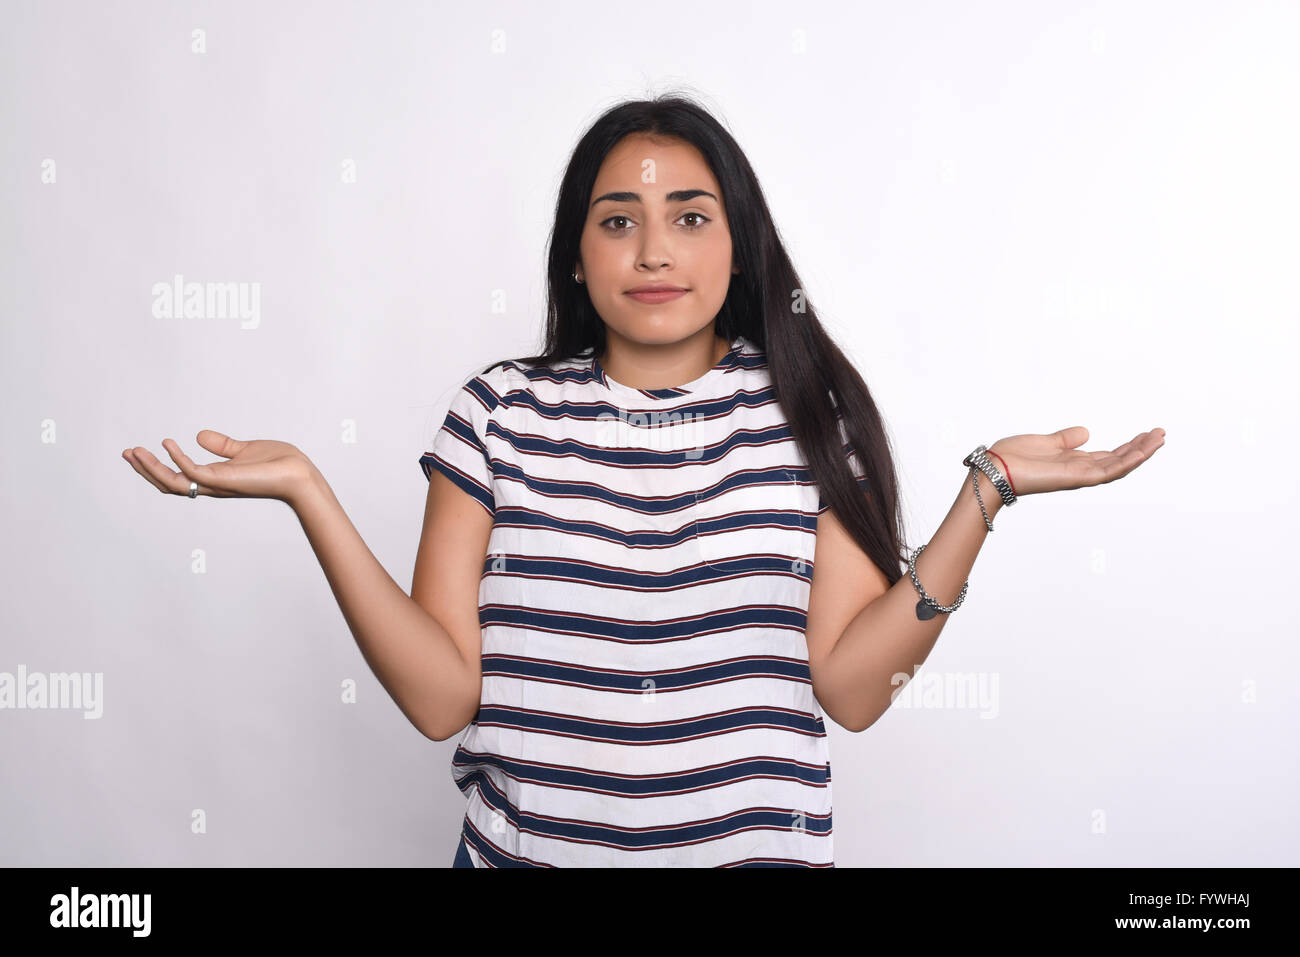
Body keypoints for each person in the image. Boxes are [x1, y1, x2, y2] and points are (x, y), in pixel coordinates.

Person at [122, 93, 1165, 868]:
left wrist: (982, 497)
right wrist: (312, 492)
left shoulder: (812, 416)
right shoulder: (497, 413)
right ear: (576, 255)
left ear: (740, 248)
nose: (653, 249)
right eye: (618, 219)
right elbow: (443, 700)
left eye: (691, 218)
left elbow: (852, 691)